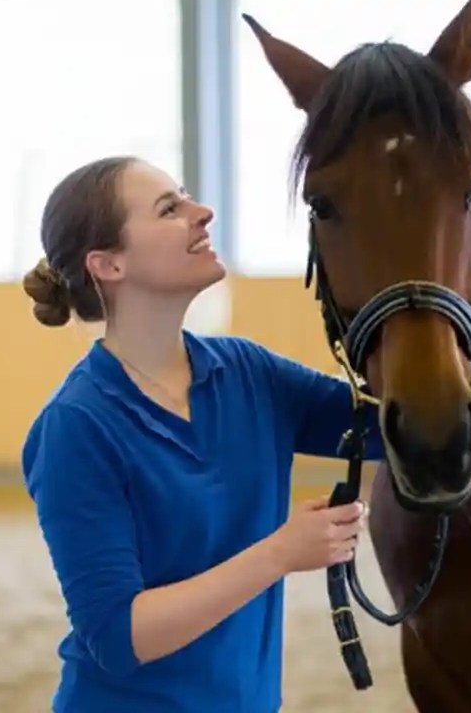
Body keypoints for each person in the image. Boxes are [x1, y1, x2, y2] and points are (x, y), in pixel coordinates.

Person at [19, 154, 382, 712]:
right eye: (170, 208)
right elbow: (119, 636)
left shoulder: (249, 373)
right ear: (108, 264)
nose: (202, 213)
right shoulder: (76, 427)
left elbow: (392, 428)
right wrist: (280, 553)